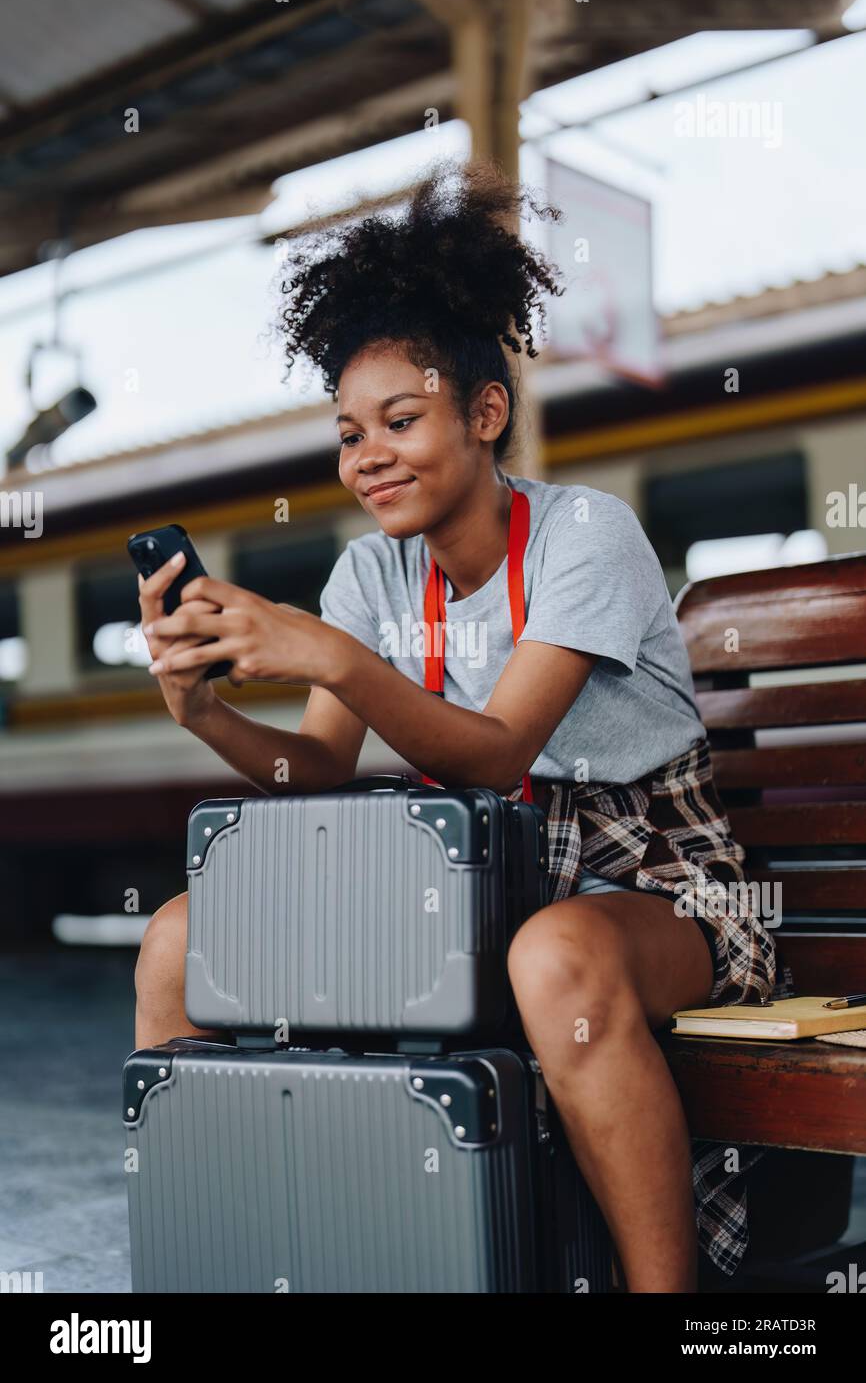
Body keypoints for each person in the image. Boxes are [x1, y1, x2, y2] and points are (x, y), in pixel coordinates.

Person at [134, 161, 786, 1292]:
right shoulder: (365, 574)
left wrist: (329, 653)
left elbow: (495, 751)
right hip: (467, 887)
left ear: (483, 414)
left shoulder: (584, 536)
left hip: (661, 887)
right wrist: (204, 712)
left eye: (399, 419)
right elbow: (316, 768)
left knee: (554, 954)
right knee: (180, 939)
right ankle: (221, 1254)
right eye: (346, 434)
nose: (366, 456)